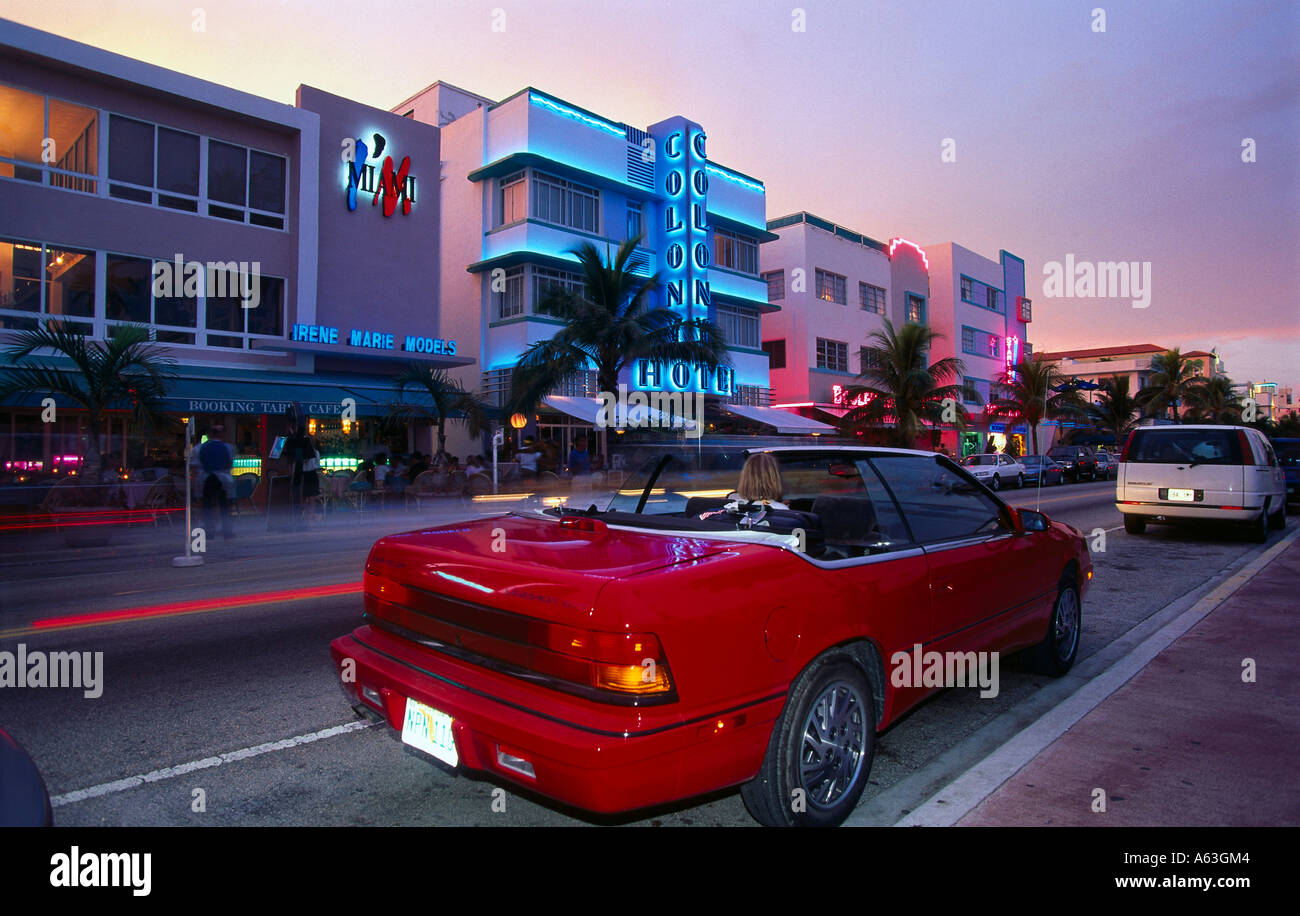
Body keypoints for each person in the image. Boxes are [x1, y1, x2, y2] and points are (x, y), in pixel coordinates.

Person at [198, 426, 236, 538]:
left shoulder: (201, 448)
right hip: (223, 479)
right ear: (221, 435)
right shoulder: (228, 447)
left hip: (206, 478)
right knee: (224, 505)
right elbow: (229, 463)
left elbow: (198, 464)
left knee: (208, 505)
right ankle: (226, 530)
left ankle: (209, 530)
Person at [284, 416, 320, 529]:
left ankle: (308, 517)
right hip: (309, 474)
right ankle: (306, 517)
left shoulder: (314, 453)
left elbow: (314, 464)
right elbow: (316, 465)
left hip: (308, 474)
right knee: (307, 497)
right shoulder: (312, 453)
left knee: (309, 496)